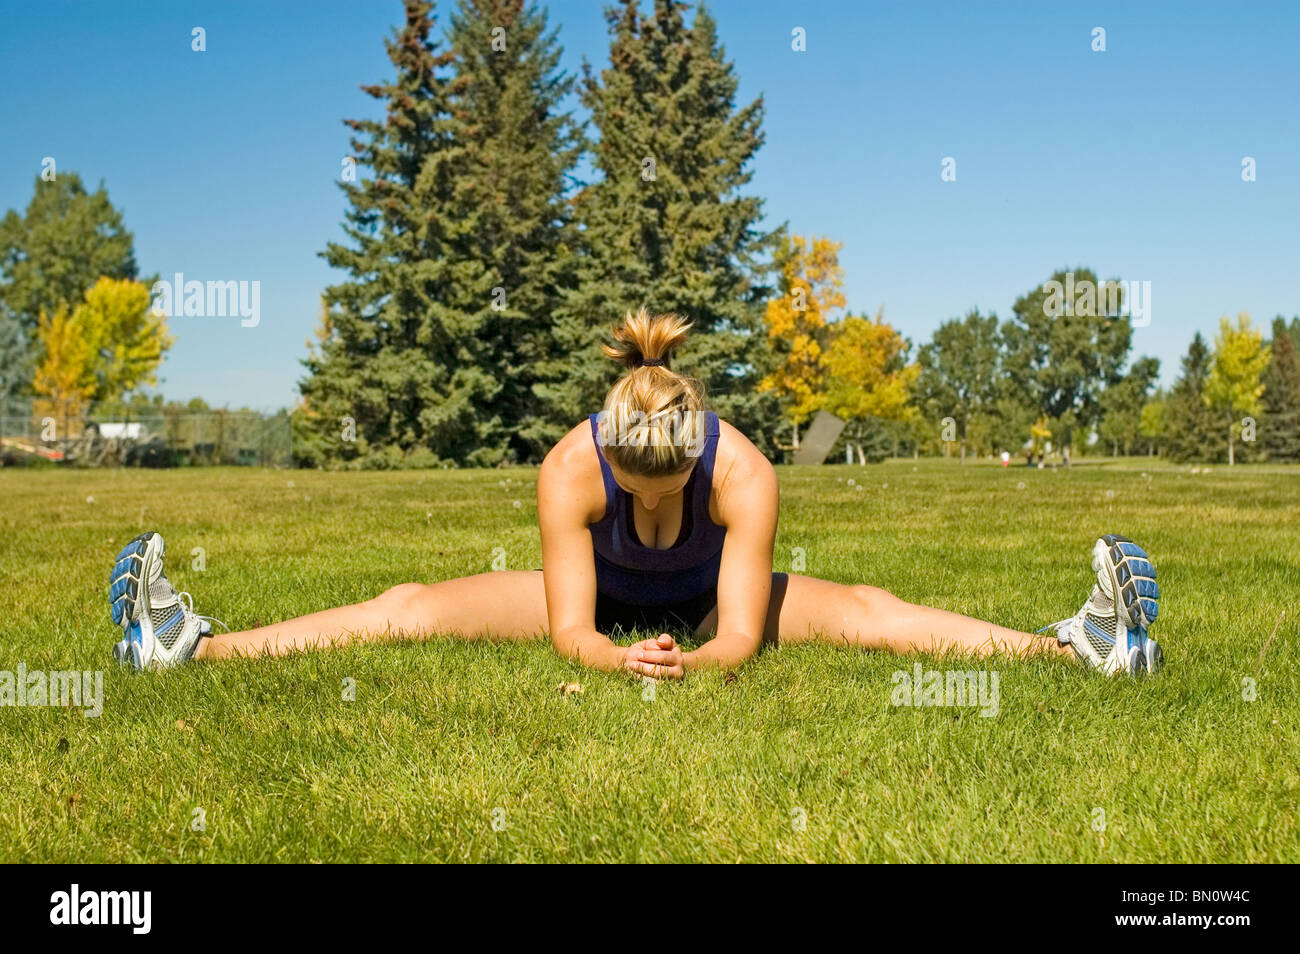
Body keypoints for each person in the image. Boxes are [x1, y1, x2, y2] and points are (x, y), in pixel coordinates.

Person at [107, 309, 1162, 679]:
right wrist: (615, 658)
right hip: (606, 604)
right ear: (609, 461)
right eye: (636, 492)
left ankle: (1083, 649)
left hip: (705, 605)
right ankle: (187, 646)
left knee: (874, 613)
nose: (653, 509)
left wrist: (695, 660)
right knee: (412, 602)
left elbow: (740, 636)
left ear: (698, 452)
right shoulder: (570, 468)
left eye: (671, 491)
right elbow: (571, 624)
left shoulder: (741, 473)